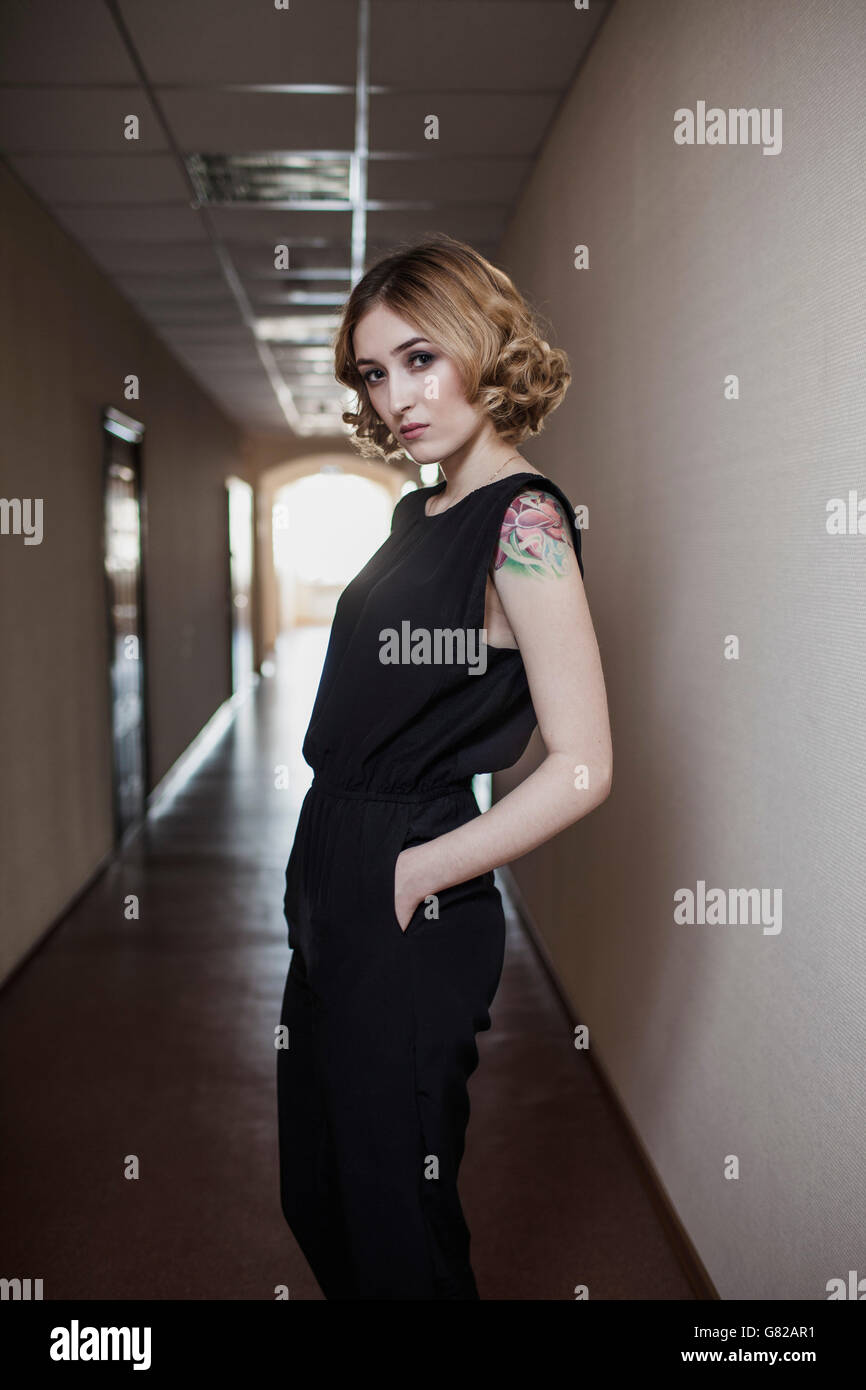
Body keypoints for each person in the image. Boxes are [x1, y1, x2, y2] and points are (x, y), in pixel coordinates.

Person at [276, 232, 613, 1300]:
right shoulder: (412, 511)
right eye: (374, 374)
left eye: (420, 358)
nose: (395, 397)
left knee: (394, 1212)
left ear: (480, 345)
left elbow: (582, 764)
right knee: (317, 1183)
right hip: (332, 854)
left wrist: (421, 868)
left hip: (407, 867)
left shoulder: (521, 524)